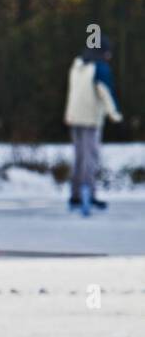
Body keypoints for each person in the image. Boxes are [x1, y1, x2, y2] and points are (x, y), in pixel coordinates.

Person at [63, 38, 123, 214]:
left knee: (80, 157)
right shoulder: (100, 68)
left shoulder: (77, 66)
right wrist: (116, 115)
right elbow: (105, 92)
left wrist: (68, 114)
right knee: (91, 157)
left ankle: (75, 195)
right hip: (90, 119)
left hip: (74, 117)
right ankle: (87, 194)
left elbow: (72, 91)